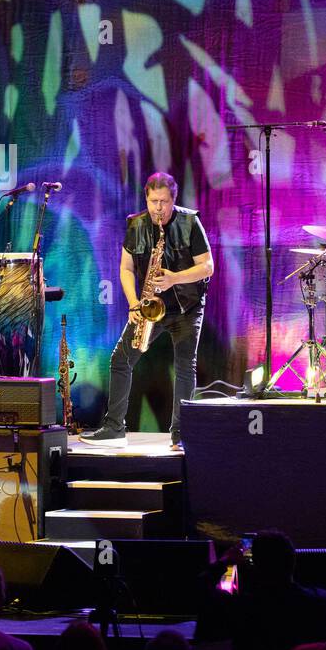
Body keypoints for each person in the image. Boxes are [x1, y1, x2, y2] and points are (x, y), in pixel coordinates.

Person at [81, 172, 214, 450]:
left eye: (164, 202)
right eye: (154, 201)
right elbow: (126, 269)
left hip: (186, 307)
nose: (158, 209)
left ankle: (180, 434)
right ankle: (114, 427)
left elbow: (207, 266)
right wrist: (133, 303)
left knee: (184, 367)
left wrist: (174, 278)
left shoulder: (190, 222)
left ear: (173, 200)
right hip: (151, 307)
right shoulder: (136, 225)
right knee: (120, 359)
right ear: (146, 198)